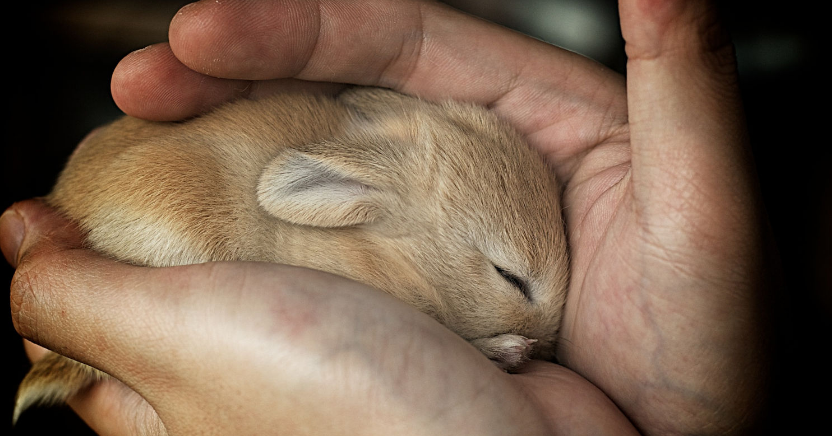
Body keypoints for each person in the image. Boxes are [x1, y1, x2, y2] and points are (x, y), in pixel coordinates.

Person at [1, 0, 772, 434]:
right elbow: (290, 210)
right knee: (180, 205)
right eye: (512, 276)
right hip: (154, 206)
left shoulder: (410, 180)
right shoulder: (352, 218)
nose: (548, 328)